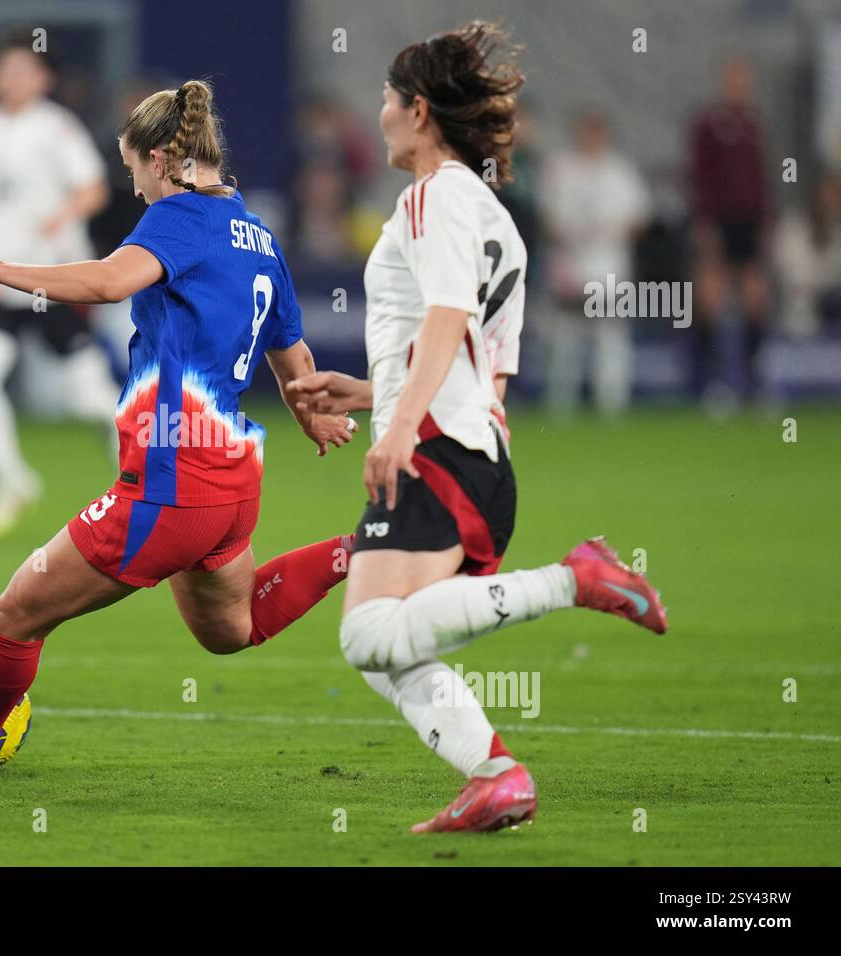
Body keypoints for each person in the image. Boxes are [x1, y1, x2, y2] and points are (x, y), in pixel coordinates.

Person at [0, 80, 357, 776]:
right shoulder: (260, 237)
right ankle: (355, 549)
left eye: (132, 170)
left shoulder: (180, 218)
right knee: (234, 628)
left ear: (161, 160)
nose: (133, 190)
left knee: (19, 609)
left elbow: (106, 282)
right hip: (233, 483)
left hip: (170, 485)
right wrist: (312, 412)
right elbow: (296, 357)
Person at [287, 22, 668, 833]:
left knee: (367, 637)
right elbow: (484, 362)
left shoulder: (432, 195)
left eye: (388, 100)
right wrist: (371, 395)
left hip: (436, 450)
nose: (382, 114)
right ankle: (497, 775)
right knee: (387, 646)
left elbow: (451, 313)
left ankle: (576, 580)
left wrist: (397, 432)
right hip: (475, 450)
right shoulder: (497, 219)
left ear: (419, 110)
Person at [0, 30, 119, 537]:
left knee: (90, 400)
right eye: (3, 69)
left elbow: (93, 190)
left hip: (51, 280)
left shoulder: (58, 128)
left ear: (44, 78)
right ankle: (13, 479)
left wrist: (57, 219)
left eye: (23, 69)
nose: (11, 79)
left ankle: (135, 487)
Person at [539, 109, 650, 416]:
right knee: (565, 339)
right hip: (571, 268)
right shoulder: (561, 169)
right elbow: (547, 218)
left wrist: (611, 234)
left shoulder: (620, 172)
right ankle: (560, 406)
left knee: (610, 337)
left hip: (609, 268)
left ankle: (612, 404)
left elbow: (638, 219)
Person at [688, 57, 771, 405]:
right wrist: (704, 224)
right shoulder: (709, 123)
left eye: (745, 79)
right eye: (734, 79)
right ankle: (709, 382)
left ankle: (753, 381)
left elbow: (762, 179)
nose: (740, 85)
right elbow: (699, 175)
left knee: (755, 300)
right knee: (710, 298)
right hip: (717, 222)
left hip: (749, 224)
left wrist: (767, 222)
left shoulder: (754, 124)